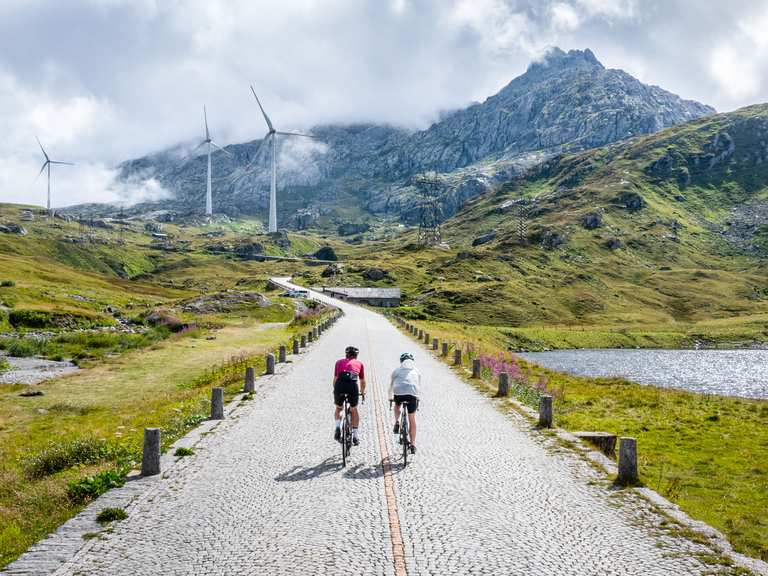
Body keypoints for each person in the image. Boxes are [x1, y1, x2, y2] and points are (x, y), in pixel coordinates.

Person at [333, 346, 366, 445]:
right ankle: (355, 436)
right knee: (354, 409)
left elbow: (335, 379)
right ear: (356, 355)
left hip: (340, 385)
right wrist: (362, 392)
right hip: (352, 386)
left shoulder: (338, 362)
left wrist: (335, 390)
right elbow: (362, 381)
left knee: (339, 408)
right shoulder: (359, 363)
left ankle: (338, 427)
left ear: (346, 354)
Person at [389, 352, 421, 454]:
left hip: (399, 393)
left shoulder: (396, 371)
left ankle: (397, 421)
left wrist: (390, 398)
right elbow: (418, 386)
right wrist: (418, 398)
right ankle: (413, 445)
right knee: (412, 419)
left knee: (397, 406)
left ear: (401, 362)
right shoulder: (417, 371)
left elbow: (391, 386)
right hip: (412, 394)